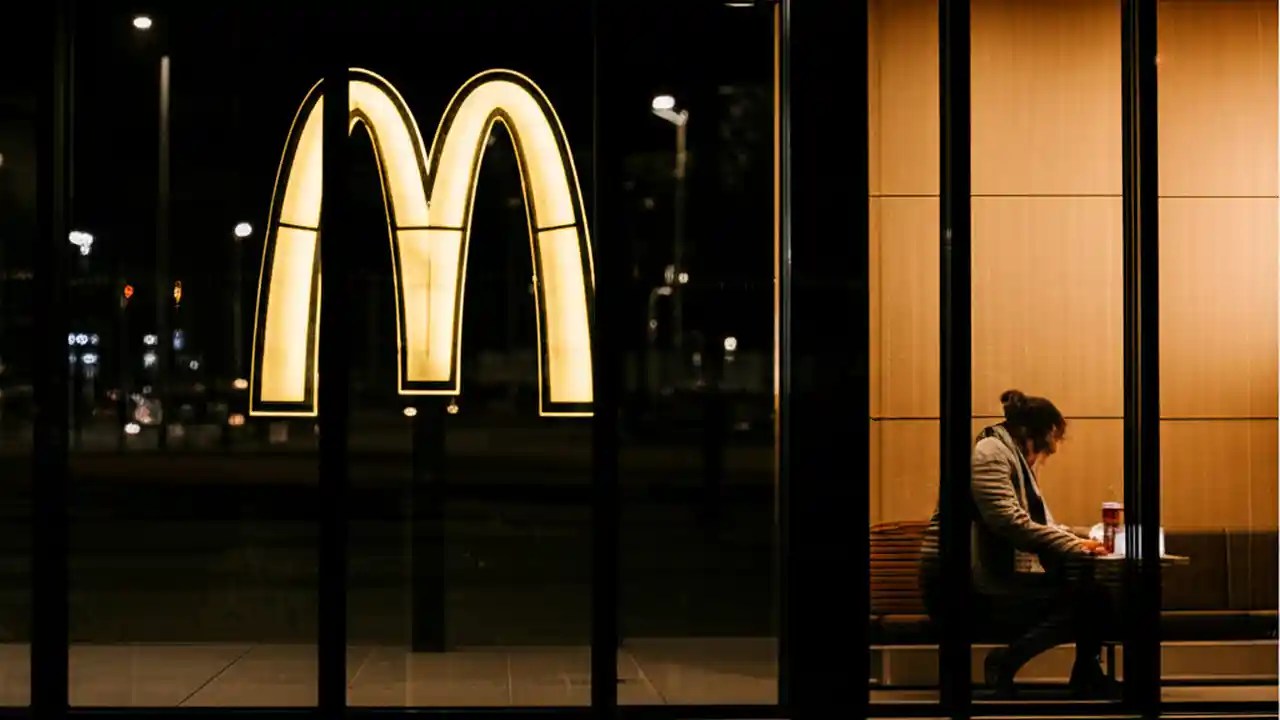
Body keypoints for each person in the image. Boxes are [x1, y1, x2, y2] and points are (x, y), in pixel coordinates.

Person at [918, 389, 1118, 699]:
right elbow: (1008, 522)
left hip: (980, 577)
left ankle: (1085, 673)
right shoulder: (990, 452)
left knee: (1092, 594)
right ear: (1030, 433)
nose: (1046, 454)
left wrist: (1086, 538)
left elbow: (1039, 526)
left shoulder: (1005, 452)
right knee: (1091, 601)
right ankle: (1008, 661)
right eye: (1047, 444)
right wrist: (1076, 544)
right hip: (959, 585)